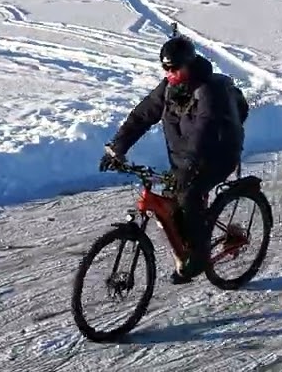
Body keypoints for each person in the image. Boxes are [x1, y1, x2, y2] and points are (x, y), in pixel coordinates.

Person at [98, 34, 248, 284]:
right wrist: (117, 147)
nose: (170, 73)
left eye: (175, 67)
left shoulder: (208, 91)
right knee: (174, 201)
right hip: (184, 159)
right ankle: (190, 243)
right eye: (166, 68)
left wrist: (188, 168)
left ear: (189, 64)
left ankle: (198, 257)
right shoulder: (168, 88)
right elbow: (142, 116)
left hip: (219, 155)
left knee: (189, 195)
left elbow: (205, 132)